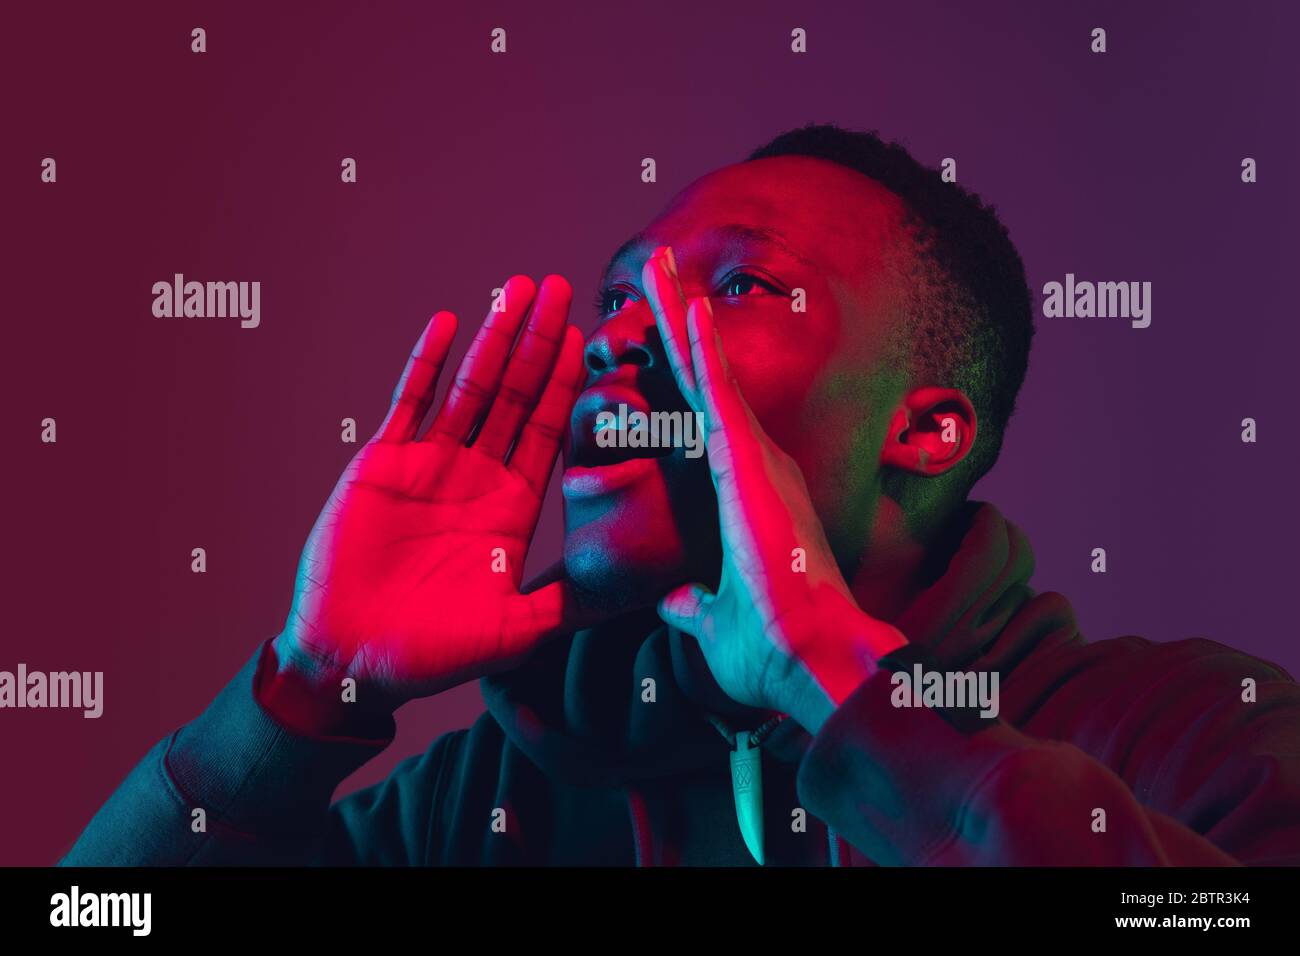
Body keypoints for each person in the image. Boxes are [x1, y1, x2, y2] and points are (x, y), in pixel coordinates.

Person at [63, 125, 1300, 866]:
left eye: (741, 287)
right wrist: (293, 695)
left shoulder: (1197, 735)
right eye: (618, 296)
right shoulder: (495, 801)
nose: (621, 337)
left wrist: (849, 690)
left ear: (924, 427)